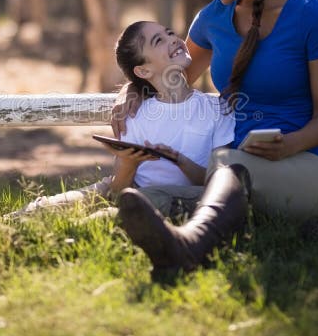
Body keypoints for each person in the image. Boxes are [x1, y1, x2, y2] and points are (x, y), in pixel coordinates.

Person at [113, 0, 318, 279]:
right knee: (152, 196)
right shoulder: (213, 19)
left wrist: (288, 145)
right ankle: (186, 233)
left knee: (227, 166)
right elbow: (174, 76)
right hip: (225, 170)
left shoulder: (313, 16)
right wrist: (134, 92)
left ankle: (187, 247)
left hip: (302, 167)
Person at [15, 20, 238, 221]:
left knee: (122, 210)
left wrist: (179, 160)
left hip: (178, 197)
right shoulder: (136, 113)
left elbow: (217, 181)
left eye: (170, 33)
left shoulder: (217, 109)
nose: (173, 39)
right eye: (159, 40)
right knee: (57, 204)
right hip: (131, 188)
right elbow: (117, 189)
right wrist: (130, 162)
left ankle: (88, 226)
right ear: (143, 70)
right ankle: (1, 224)